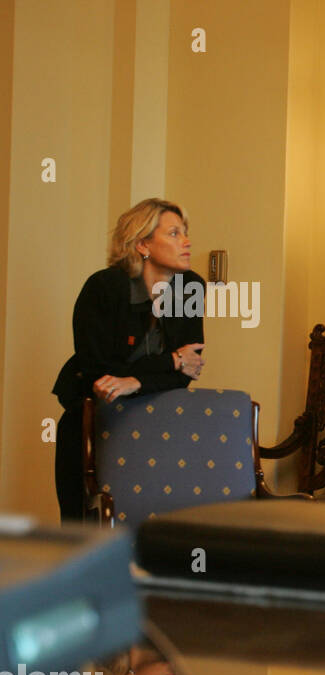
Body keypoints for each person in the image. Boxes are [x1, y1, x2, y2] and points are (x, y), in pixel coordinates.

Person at [52, 199, 206, 522]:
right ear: (142, 244)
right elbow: (100, 374)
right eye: (174, 233)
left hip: (158, 422)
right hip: (93, 420)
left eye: (185, 232)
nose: (187, 241)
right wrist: (171, 360)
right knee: (83, 530)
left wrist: (135, 380)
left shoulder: (190, 288)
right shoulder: (104, 288)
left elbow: (187, 371)